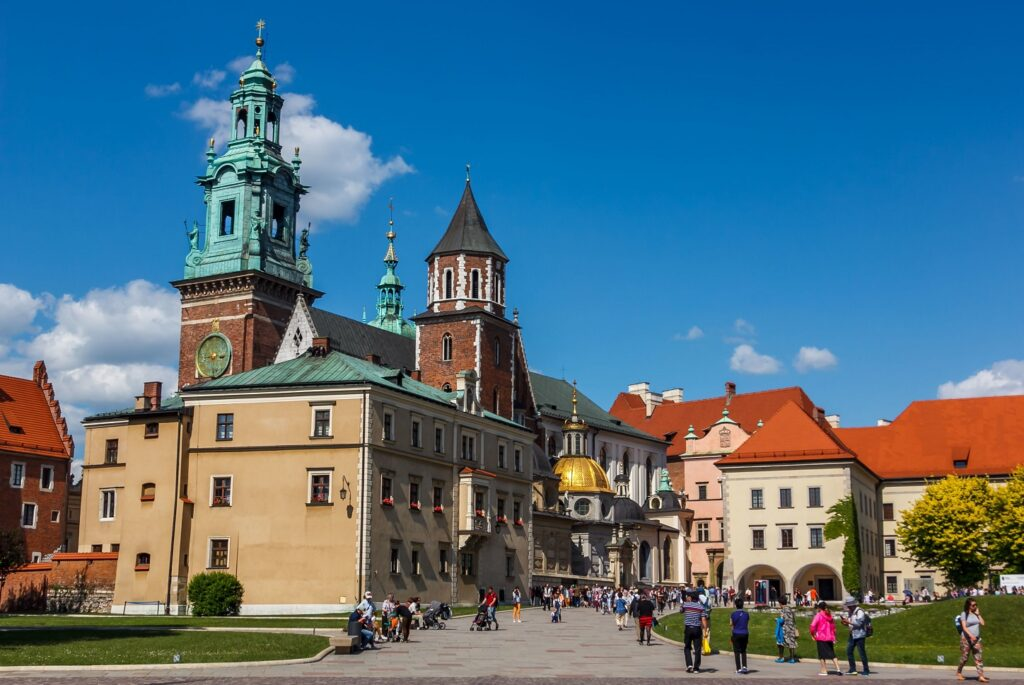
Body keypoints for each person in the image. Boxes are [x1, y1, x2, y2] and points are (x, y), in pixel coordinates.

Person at [956, 598, 988, 682]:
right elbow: (964, 627)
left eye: (976, 605)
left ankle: (981, 676)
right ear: (968, 606)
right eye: (973, 605)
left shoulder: (975, 614)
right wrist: (971, 636)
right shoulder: (964, 614)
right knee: (964, 658)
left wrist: (978, 614)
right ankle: (959, 672)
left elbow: (983, 623)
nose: (975, 606)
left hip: (976, 639)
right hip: (966, 639)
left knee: (978, 658)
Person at [809, 600, 841, 676]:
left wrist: (812, 635)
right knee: (832, 653)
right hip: (829, 637)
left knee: (822, 655)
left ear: (819, 608)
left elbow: (812, 626)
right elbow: (833, 627)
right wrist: (834, 636)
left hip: (821, 637)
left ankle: (824, 670)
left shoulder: (818, 615)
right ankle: (838, 669)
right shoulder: (829, 615)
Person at [841, 596, 871, 675]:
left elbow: (859, 623)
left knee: (861, 652)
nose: (848, 607)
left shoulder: (859, 611)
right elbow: (851, 624)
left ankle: (866, 670)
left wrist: (848, 622)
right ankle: (852, 669)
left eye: (848, 605)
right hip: (852, 634)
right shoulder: (850, 612)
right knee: (849, 651)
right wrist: (845, 623)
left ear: (852, 605)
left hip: (860, 635)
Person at [681, 590, 709, 673]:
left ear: (690, 597)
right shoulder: (701, 607)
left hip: (688, 628)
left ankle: (689, 665)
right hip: (697, 629)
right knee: (697, 649)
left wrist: (685, 603)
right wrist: (705, 630)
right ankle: (696, 667)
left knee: (687, 647)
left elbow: (680, 611)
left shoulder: (686, 605)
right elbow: (704, 619)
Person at [730, 598, 750, 674]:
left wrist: (732, 634)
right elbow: (747, 624)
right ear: (742, 605)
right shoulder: (746, 614)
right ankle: (744, 666)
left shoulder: (733, 614)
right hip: (745, 633)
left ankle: (738, 668)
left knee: (736, 651)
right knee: (744, 650)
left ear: (736, 605)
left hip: (736, 633)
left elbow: (731, 624)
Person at [779, 596, 799, 663]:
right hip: (792, 628)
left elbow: (782, 620)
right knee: (791, 643)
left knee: (782, 643)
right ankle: (792, 658)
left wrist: (777, 620)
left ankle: (781, 658)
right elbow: (794, 619)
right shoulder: (790, 609)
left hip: (785, 629)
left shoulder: (783, 610)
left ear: (780, 603)